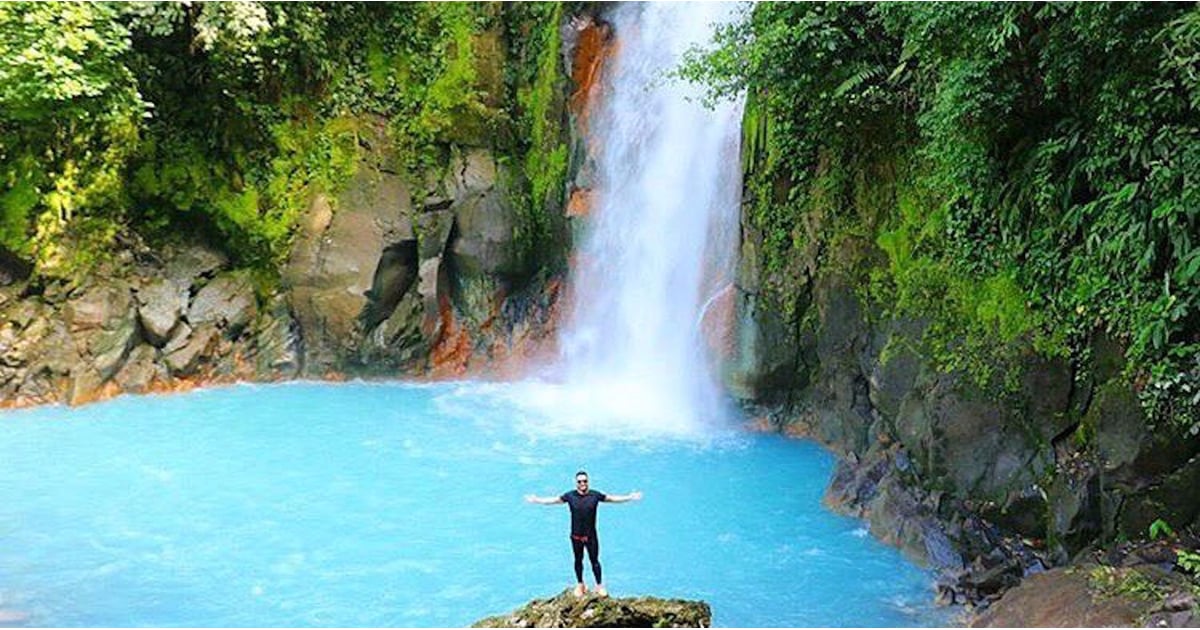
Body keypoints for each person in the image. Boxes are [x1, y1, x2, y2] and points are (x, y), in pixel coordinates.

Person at [525, 471, 643, 598]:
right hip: (575, 536)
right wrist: (536, 500)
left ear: (588, 482)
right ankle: (580, 584)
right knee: (578, 560)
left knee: (594, 561)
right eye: (580, 481)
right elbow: (553, 500)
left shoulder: (595, 495)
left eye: (585, 481)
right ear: (576, 483)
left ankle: (599, 586)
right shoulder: (570, 496)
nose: (582, 483)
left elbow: (612, 499)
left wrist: (630, 497)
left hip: (591, 536)